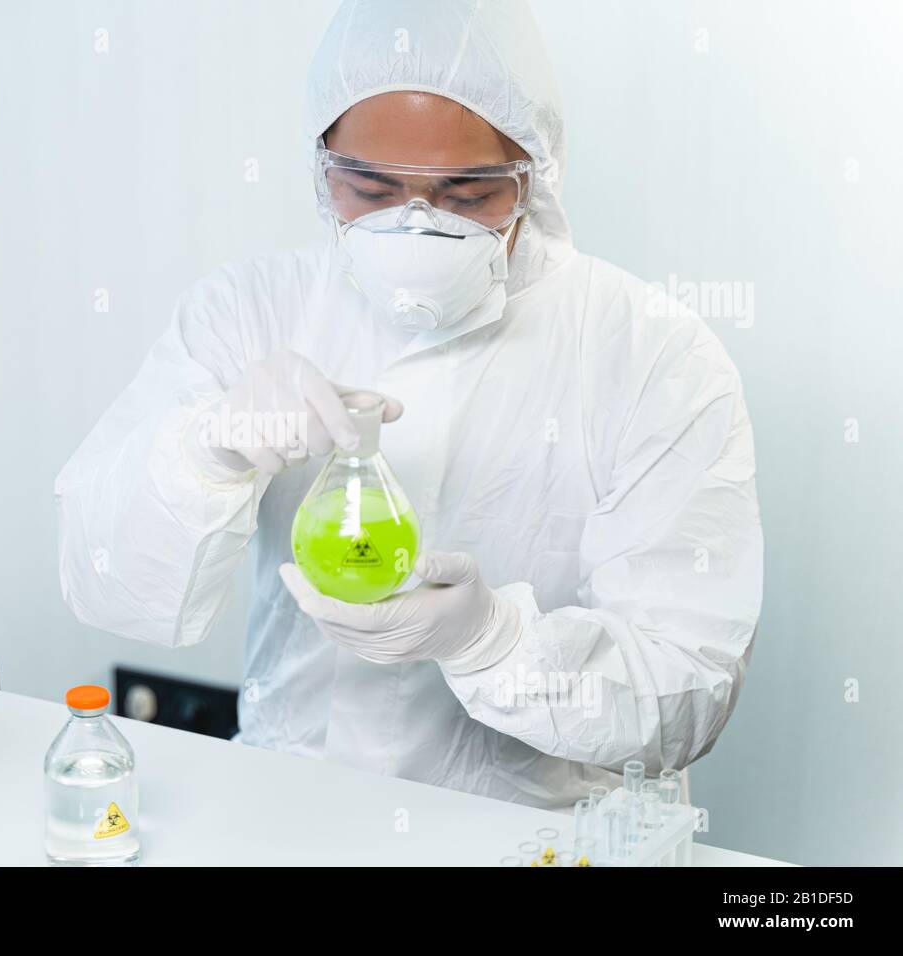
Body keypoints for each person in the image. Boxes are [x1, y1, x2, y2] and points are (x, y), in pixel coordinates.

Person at [55, 0, 762, 807]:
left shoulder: (652, 355)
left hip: (541, 834)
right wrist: (205, 452)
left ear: (536, 174)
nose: (417, 225)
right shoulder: (250, 310)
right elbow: (106, 582)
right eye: (372, 187)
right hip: (290, 806)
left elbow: (690, 689)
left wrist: (495, 643)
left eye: (468, 195)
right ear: (323, 169)